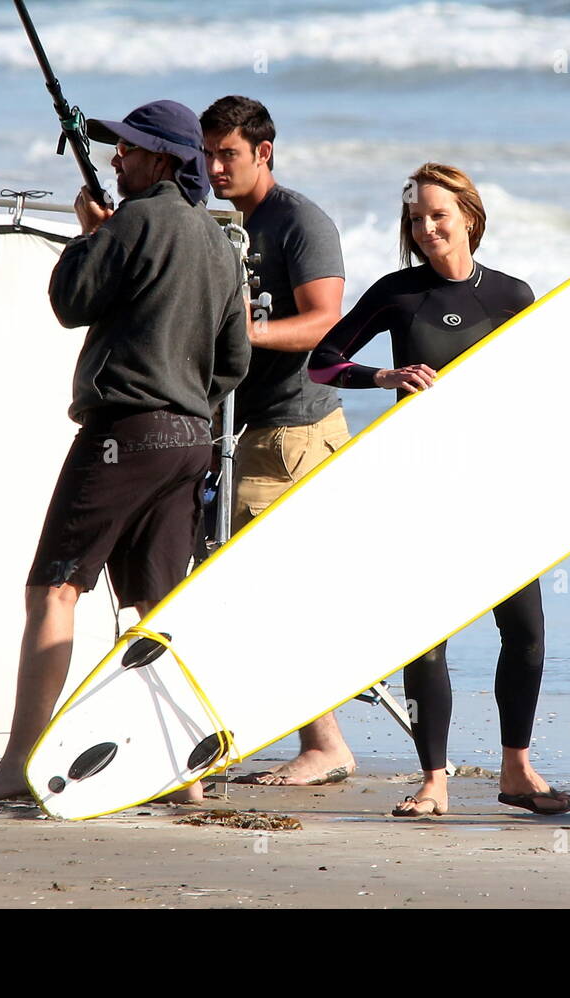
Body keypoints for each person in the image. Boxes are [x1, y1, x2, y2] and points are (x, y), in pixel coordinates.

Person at [308, 163, 570, 817]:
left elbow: (553, 400)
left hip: (501, 487)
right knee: (428, 634)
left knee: (525, 632)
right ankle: (433, 781)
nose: (427, 228)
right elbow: (322, 360)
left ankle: (517, 770)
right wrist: (383, 377)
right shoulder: (397, 294)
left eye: (439, 215)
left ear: (469, 217)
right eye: (417, 218)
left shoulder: (513, 295)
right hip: (423, 487)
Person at [0, 100, 250, 806]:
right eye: (116, 146)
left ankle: (18, 764)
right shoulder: (217, 241)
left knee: (55, 587)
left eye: (131, 148)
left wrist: (90, 237)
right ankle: (184, 779)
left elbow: (70, 300)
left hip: (124, 433)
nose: (117, 157)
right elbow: (234, 360)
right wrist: (182, 393)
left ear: (166, 159)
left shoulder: (139, 220)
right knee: (152, 610)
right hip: (188, 440)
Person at [200, 95, 358, 787]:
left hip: (294, 430)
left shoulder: (300, 220)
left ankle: (325, 744)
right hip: (234, 430)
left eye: (227, 154)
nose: (213, 168)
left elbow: (325, 322)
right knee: (233, 586)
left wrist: (247, 334)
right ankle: (251, 731)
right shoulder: (222, 223)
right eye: (206, 153)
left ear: (264, 151)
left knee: (270, 589)